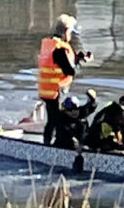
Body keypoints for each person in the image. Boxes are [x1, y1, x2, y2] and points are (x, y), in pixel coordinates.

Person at [37, 16, 90, 145]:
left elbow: (60, 63)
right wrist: (81, 62)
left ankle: (48, 142)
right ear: (66, 31)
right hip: (55, 90)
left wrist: (78, 58)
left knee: (53, 119)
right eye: (71, 33)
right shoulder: (60, 49)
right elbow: (69, 71)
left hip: (46, 89)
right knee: (56, 120)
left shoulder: (49, 44)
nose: (71, 36)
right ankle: (51, 144)